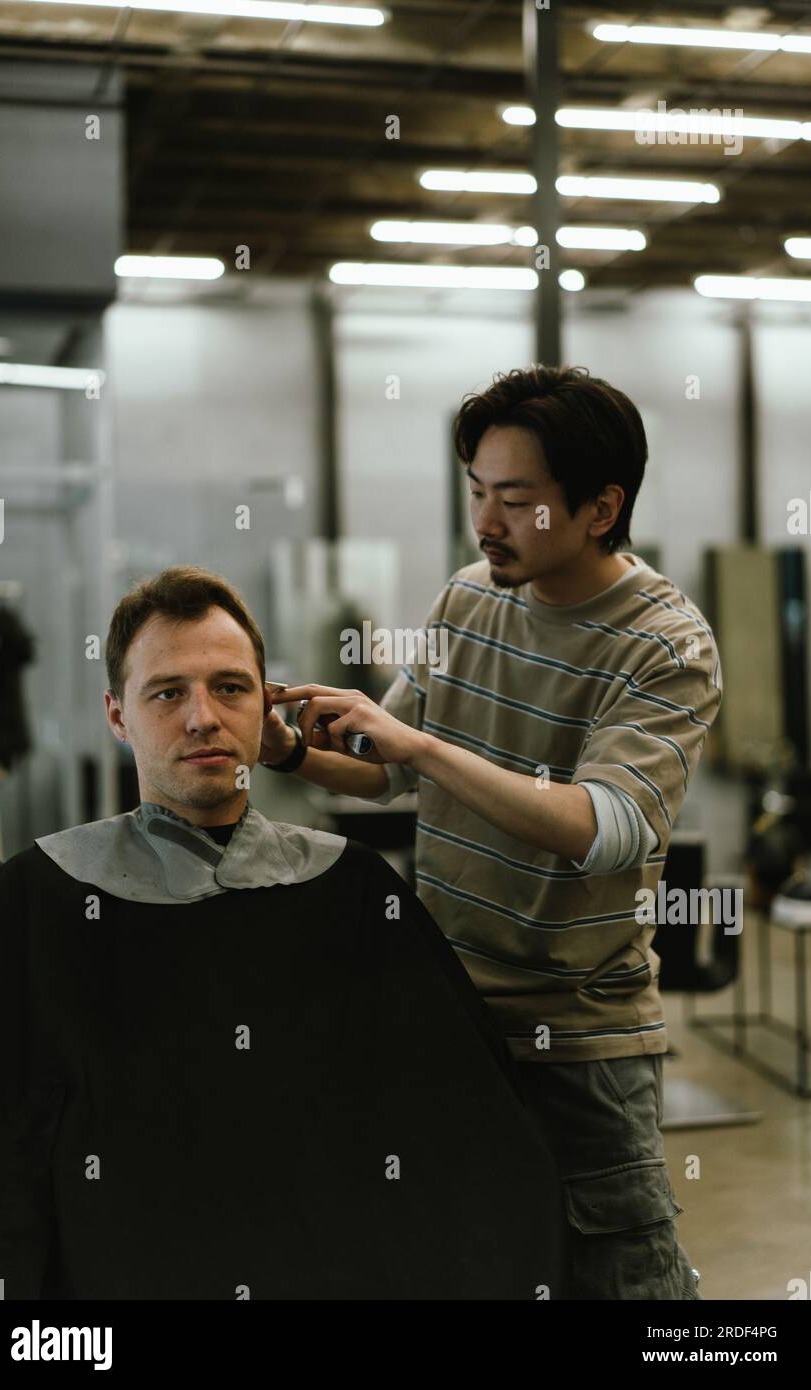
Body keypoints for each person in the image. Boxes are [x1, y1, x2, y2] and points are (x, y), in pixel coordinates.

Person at [0, 565, 564, 1301]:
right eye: (167, 692)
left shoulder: (352, 892)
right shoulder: (35, 902)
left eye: (230, 688)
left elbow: (465, 1144)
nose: (202, 717)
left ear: (267, 707)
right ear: (117, 716)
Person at [264, 365, 722, 1300]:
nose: (485, 522)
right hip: (450, 1018)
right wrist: (290, 754)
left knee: (630, 1288)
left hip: (583, 1042)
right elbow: (384, 768)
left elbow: (607, 829)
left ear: (601, 508)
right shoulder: (469, 600)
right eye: (477, 492)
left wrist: (422, 749)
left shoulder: (665, 645)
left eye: (516, 501)